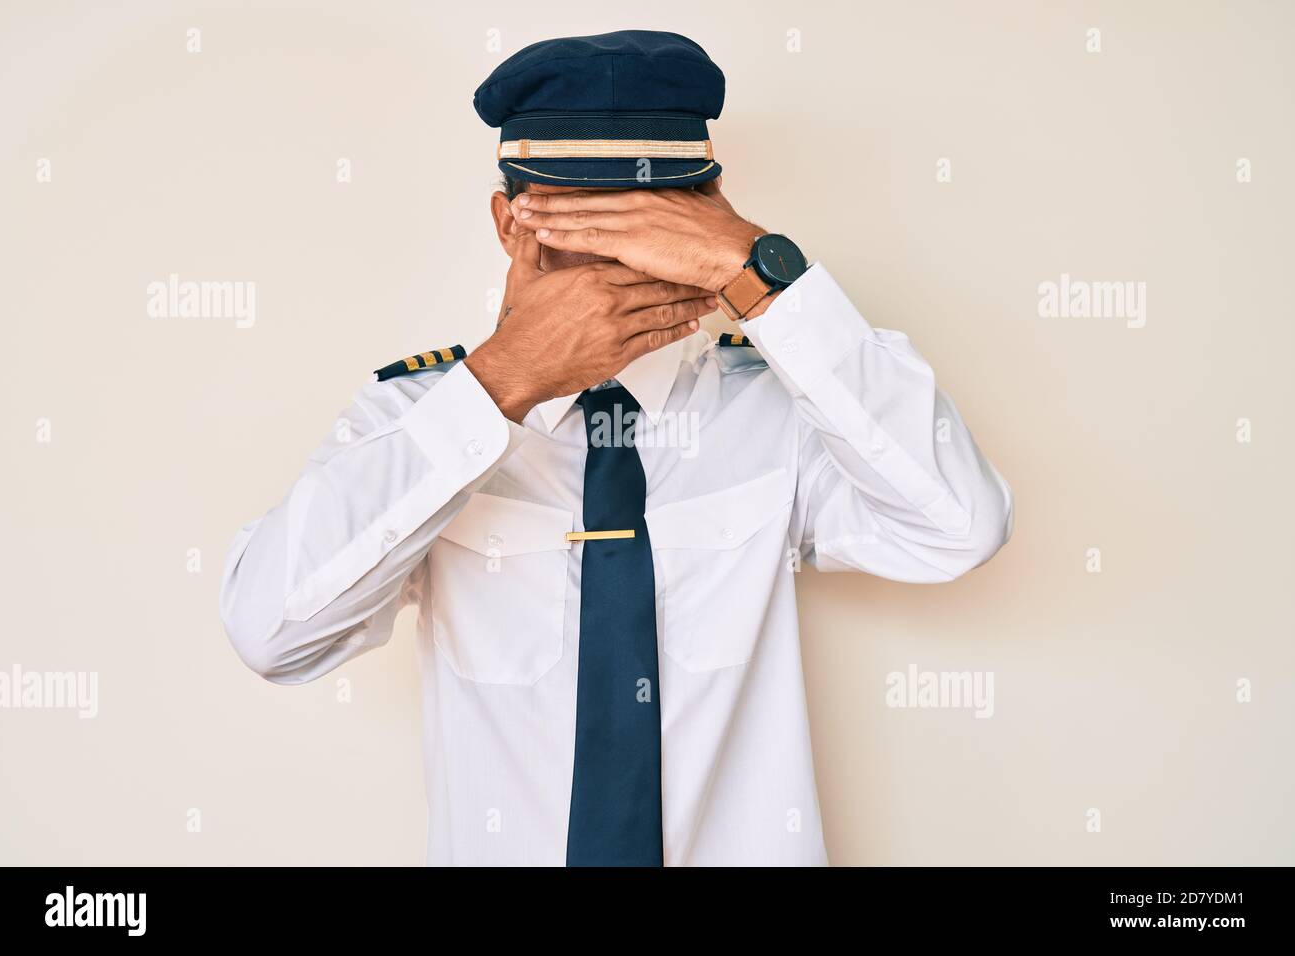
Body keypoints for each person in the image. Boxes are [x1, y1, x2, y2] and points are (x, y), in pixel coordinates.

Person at [219, 30, 1013, 866]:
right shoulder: (419, 417)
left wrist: (766, 277)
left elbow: (960, 526)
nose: (619, 258)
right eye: (579, 221)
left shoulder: (788, 408)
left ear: (709, 218)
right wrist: (499, 384)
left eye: (651, 223)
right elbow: (273, 634)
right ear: (507, 224)